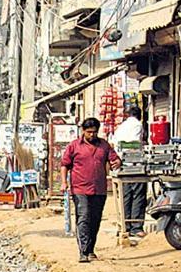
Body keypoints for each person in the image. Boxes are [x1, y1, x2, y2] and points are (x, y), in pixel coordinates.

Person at [61, 118, 121, 263]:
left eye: (94, 132)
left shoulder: (104, 146)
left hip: (99, 189)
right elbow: (64, 165)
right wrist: (64, 182)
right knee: (84, 217)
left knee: (95, 219)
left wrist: (117, 162)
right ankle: (83, 251)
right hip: (80, 188)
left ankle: (90, 249)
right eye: (89, 132)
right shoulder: (74, 146)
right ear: (83, 131)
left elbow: (115, 159)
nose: (92, 135)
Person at [113, 106, 147, 238]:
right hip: (134, 165)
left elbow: (115, 142)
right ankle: (136, 227)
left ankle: (125, 225)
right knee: (138, 196)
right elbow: (133, 144)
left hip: (122, 165)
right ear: (139, 115)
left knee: (126, 196)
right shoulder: (137, 125)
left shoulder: (121, 126)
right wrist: (141, 146)